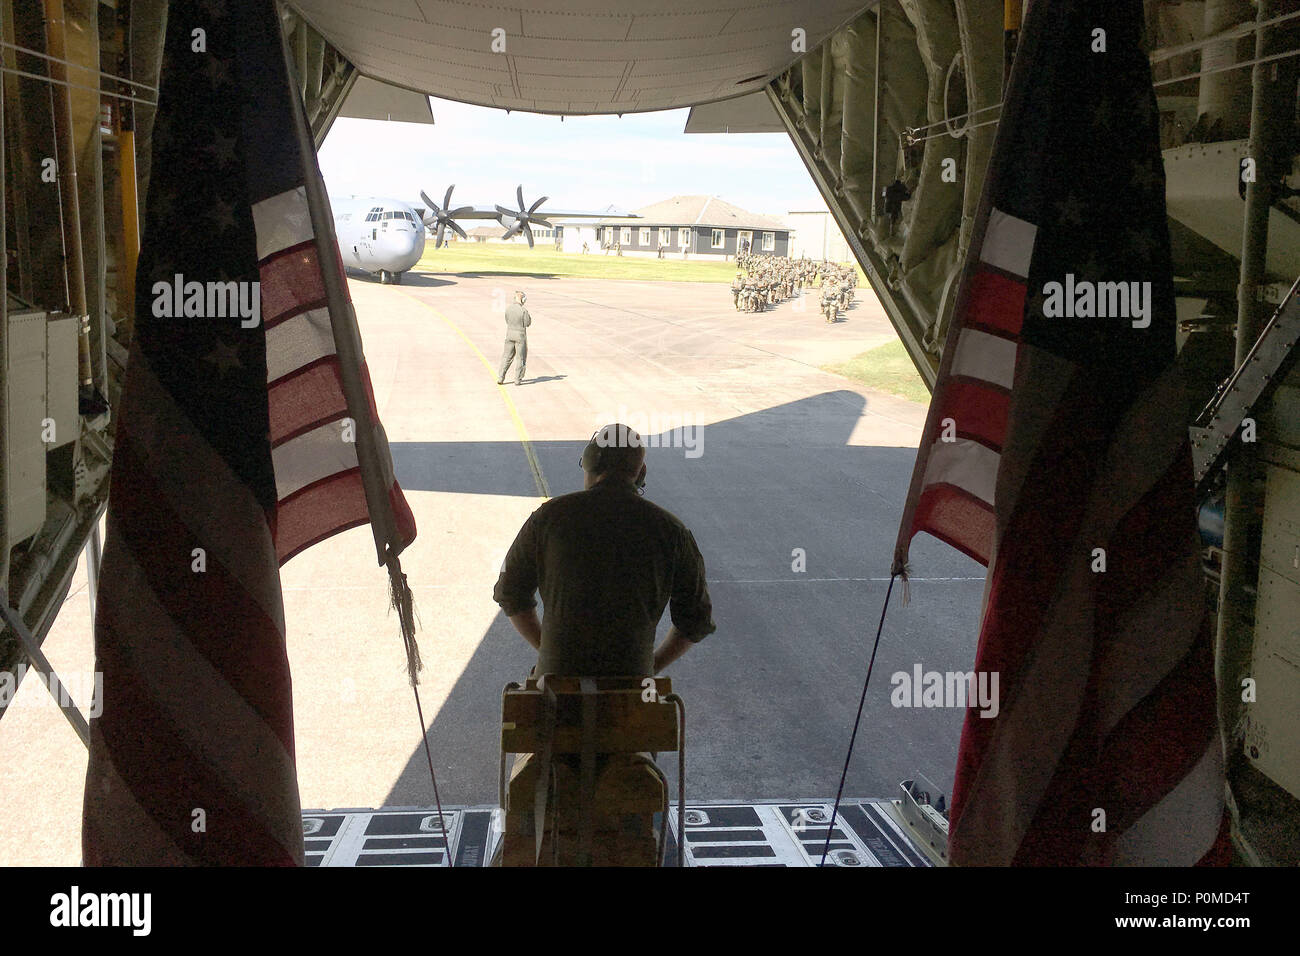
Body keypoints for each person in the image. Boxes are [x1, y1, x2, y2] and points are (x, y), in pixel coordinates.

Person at [493, 423, 716, 677]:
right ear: (641, 472)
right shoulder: (672, 531)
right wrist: (650, 666)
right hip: (633, 687)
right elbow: (696, 621)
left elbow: (510, 594)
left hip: (557, 683)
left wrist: (550, 653)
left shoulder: (548, 518)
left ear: (589, 463)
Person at [497, 290, 531, 386]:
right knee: (520, 358)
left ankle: (501, 377)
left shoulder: (508, 309)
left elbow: (507, 320)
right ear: (523, 299)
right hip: (520, 336)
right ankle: (517, 379)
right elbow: (527, 323)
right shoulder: (523, 311)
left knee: (506, 357)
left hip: (509, 334)